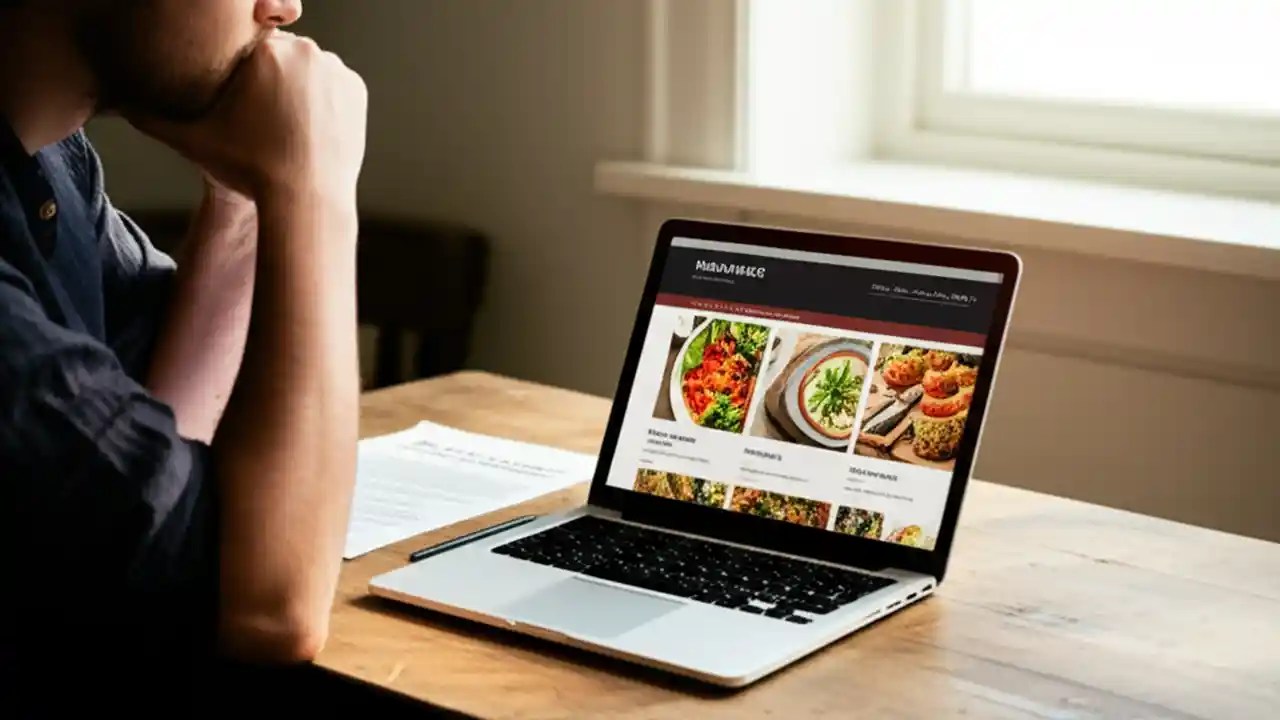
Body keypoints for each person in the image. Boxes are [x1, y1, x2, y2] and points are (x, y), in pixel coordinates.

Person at [0, 0, 368, 713]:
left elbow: (170, 447)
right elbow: (271, 610)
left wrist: (247, 198)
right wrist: (313, 188)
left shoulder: (54, 167)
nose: (284, 7)